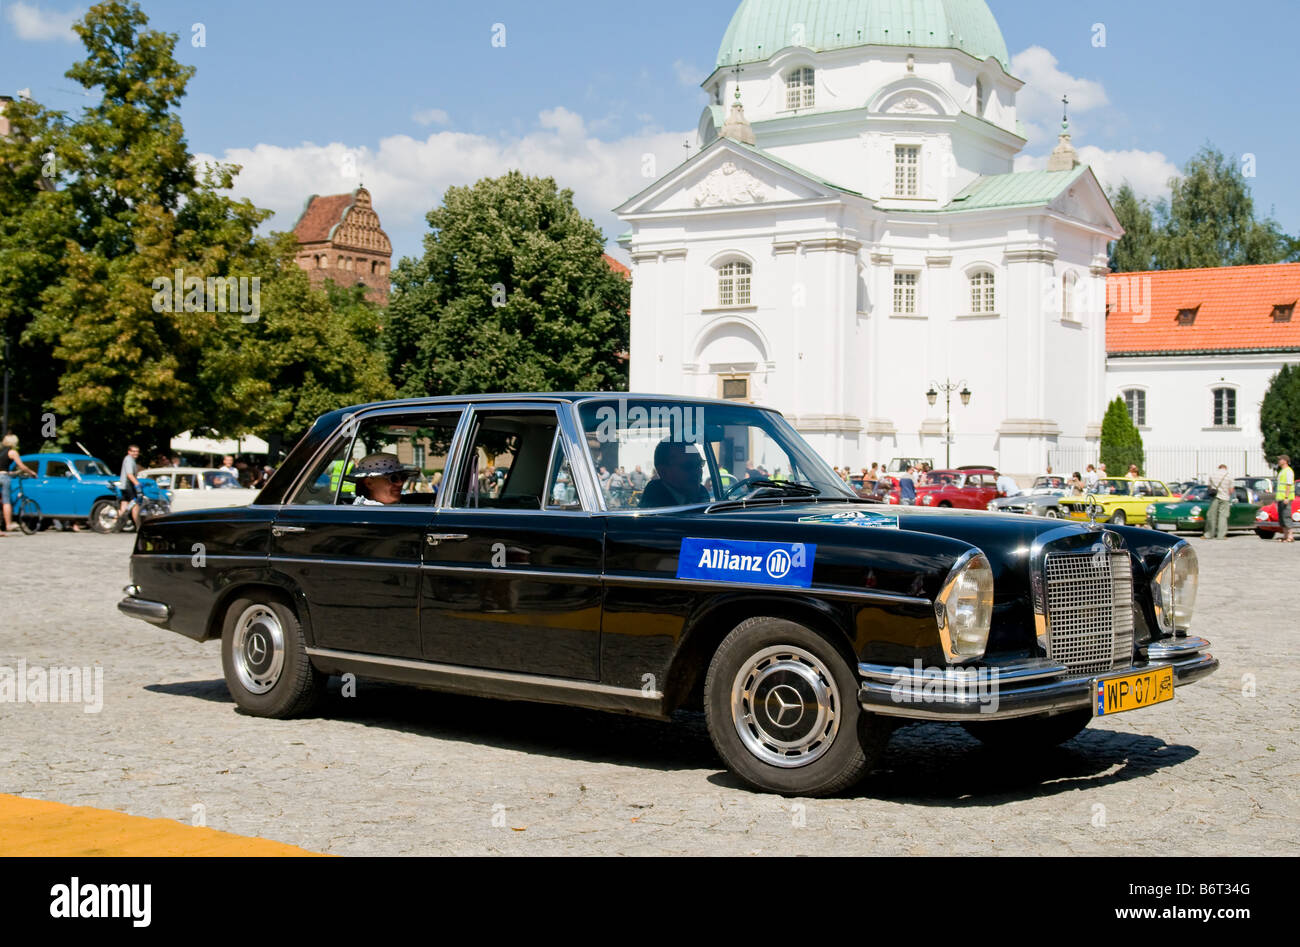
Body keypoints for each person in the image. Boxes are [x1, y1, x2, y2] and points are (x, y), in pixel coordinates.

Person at [639, 440, 711, 508]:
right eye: (688, 466)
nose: (698, 471)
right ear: (663, 471)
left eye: (699, 464)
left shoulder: (702, 494)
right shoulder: (653, 511)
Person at [1, 434, 39, 535]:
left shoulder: (1, 452)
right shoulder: (12, 452)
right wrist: (32, 473)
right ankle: (8, 524)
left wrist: (11, 473)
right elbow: (21, 466)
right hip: (4, 478)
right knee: (6, 501)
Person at [346, 453, 412, 505]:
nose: (400, 483)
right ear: (369, 483)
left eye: (403, 477)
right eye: (393, 478)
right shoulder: (365, 514)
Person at [115, 444, 142, 532]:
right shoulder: (129, 460)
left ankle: (114, 524)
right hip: (128, 486)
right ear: (129, 451)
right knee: (135, 505)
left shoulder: (129, 460)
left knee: (124, 506)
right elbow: (129, 475)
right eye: (133, 451)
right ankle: (139, 527)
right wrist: (137, 484)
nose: (135, 453)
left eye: (137, 451)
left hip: (124, 486)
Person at [1204, 464, 1233, 540]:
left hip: (1214, 497)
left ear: (1219, 468)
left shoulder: (1212, 475)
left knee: (1211, 516)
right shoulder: (1229, 476)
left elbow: (1209, 487)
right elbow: (1231, 490)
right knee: (1223, 516)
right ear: (1226, 468)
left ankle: (1209, 534)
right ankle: (1221, 535)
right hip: (1225, 498)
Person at [1277, 455, 1295, 543]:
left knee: (1286, 516)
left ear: (1285, 461)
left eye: (1280, 459)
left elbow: (1289, 485)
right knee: (1282, 517)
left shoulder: (1288, 471)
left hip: (1285, 498)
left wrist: (1286, 497)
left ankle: (1290, 536)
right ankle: (1285, 535)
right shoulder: (1282, 471)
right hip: (1280, 497)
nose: (1279, 461)